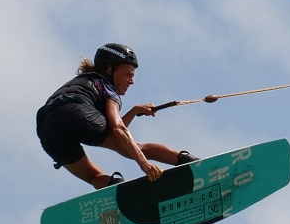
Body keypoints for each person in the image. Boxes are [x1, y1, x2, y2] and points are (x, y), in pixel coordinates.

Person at [36, 43, 199, 189]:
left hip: (46, 127)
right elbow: (118, 128)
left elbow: (111, 130)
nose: (131, 81)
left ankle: (117, 190)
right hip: (77, 113)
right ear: (109, 70)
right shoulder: (108, 87)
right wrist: (144, 164)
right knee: (135, 148)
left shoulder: (82, 81)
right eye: (129, 75)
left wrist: (134, 111)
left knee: (93, 176)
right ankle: (189, 162)